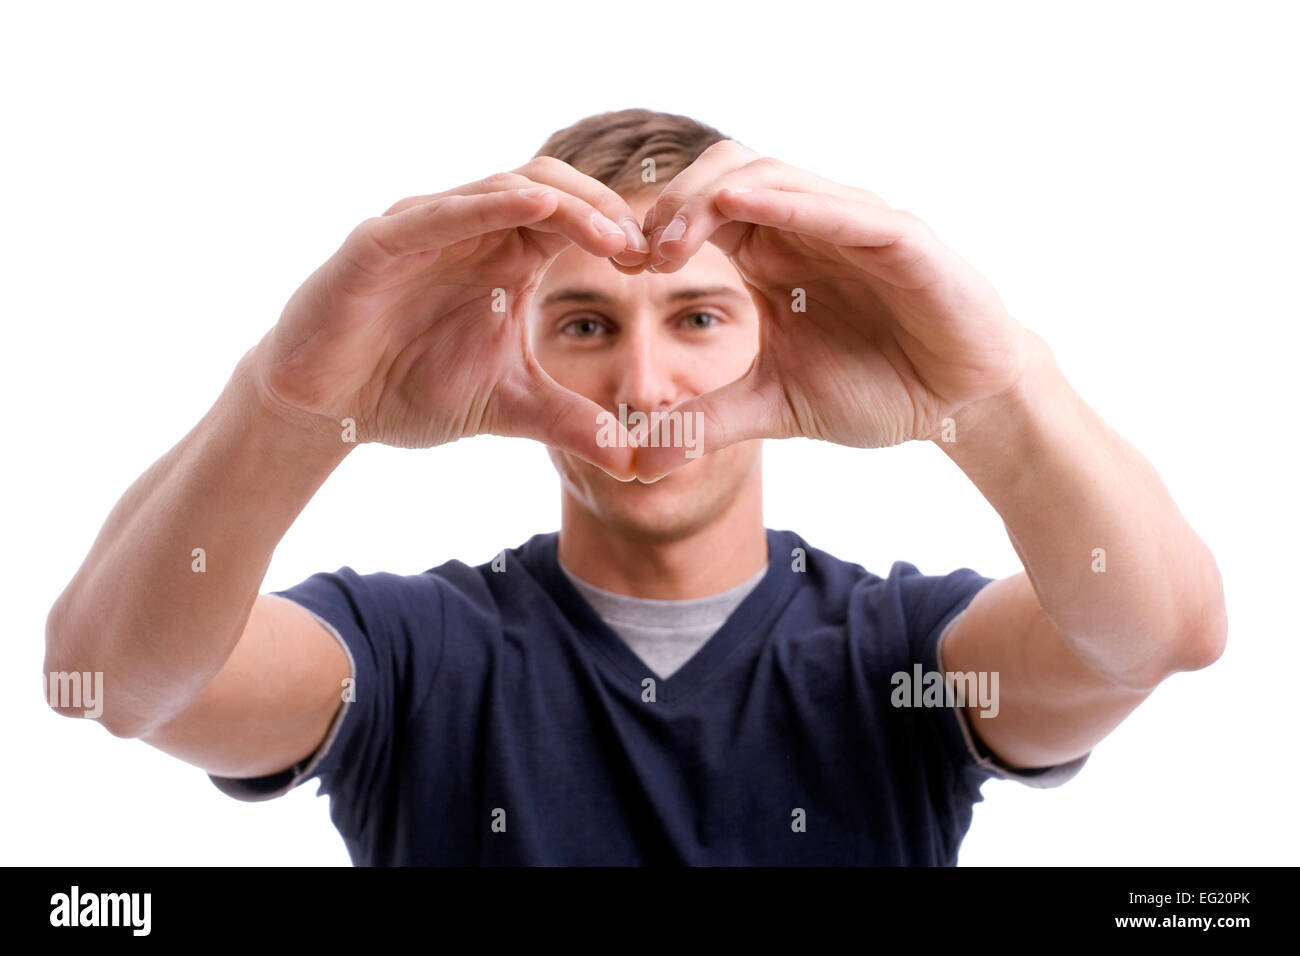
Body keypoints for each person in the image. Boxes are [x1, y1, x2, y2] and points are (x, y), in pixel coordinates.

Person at [44, 108, 1227, 865]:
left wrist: (993, 394)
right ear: (518, 351)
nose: (643, 378)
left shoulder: (898, 653)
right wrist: (291, 408)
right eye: (585, 321)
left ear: (775, 336)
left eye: (699, 315)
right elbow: (109, 678)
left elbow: (1160, 631)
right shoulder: (410, 652)